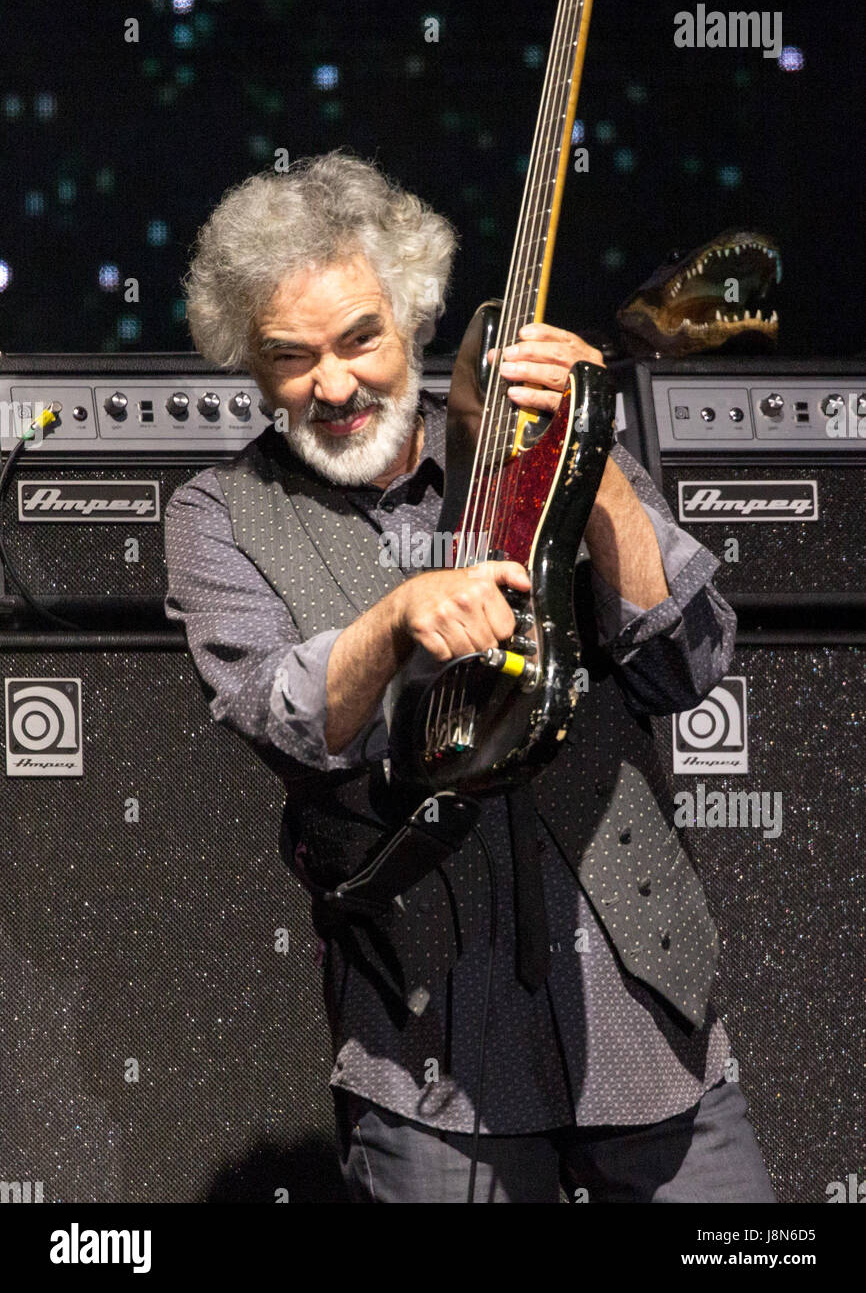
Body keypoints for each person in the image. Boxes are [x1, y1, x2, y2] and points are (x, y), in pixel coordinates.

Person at [164, 151, 776, 1203]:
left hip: (638, 1021)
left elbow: (688, 660)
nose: (336, 382)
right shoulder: (216, 516)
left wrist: (591, 453)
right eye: (289, 356)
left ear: (413, 315)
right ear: (248, 365)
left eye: (361, 337)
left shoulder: (529, 444)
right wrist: (396, 620)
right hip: (428, 1049)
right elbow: (281, 717)